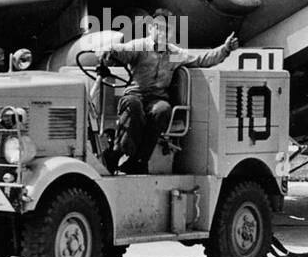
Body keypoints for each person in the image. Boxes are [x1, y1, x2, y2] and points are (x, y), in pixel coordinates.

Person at [99, 10, 238, 174]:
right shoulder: (140, 48)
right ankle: (117, 153)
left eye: (166, 29)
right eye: (157, 27)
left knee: (162, 110)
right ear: (150, 28)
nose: (161, 32)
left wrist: (225, 49)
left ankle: (140, 161)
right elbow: (122, 51)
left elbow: (201, 60)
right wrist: (111, 51)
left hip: (156, 100)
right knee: (133, 105)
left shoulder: (173, 55)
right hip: (135, 95)